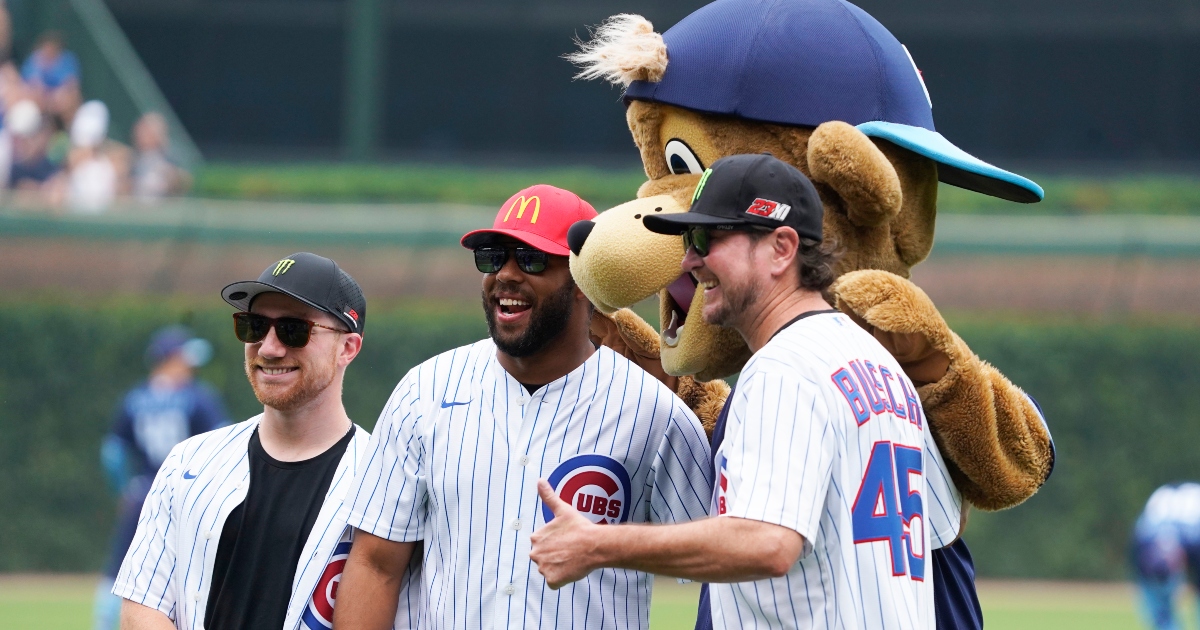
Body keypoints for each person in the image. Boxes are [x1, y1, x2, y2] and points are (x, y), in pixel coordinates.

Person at [529, 154, 963, 629]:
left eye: (707, 238)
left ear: (781, 247)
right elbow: (943, 525)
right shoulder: (875, 362)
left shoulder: (783, 369)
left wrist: (596, 545)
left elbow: (767, 543)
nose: (690, 259)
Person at [334, 184, 714, 630]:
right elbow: (375, 565)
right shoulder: (424, 392)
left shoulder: (656, 414)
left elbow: (696, 575)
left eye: (531, 259)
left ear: (582, 280)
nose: (506, 275)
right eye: (494, 257)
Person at [113, 252, 391, 630]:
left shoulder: (385, 481)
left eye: (294, 329)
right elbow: (143, 606)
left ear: (348, 348)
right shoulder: (189, 462)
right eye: (254, 326)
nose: (269, 347)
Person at [93, 325, 229, 630]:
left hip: (143, 492)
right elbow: (225, 447)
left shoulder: (134, 399)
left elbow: (112, 454)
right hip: (189, 496)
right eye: (184, 358)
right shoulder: (199, 398)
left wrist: (125, 490)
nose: (190, 366)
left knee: (120, 570)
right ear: (167, 359)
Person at [1130, 482, 1200, 630]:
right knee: (1161, 610)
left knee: (1162, 614)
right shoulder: (1148, 537)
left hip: (1155, 545)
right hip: (1154, 549)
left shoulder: (1147, 534)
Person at [21, 31, 81, 124]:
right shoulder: (34, 60)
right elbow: (33, 84)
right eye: (46, 47)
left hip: (59, 99)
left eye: (52, 47)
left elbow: (71, 84)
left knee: (70, 98)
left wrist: (57, 98)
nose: (49, 50)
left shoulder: (66, 60)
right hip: (40, 100)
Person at [130, 112, 191, 203]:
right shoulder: (129, 158)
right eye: (141, 130)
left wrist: (172, 177)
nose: (142, 134)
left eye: (148, 131)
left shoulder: (171, 158)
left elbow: (185, 181)